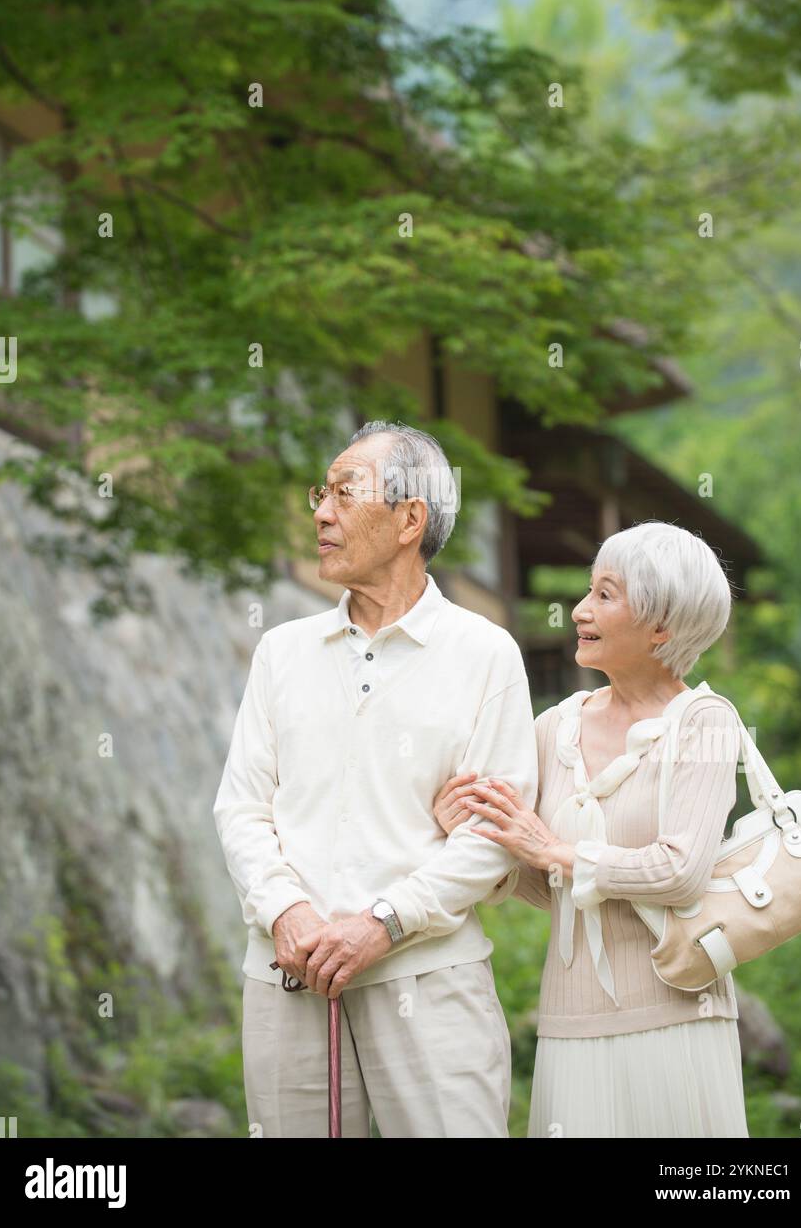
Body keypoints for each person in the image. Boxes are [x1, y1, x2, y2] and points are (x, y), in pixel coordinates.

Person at [213, 419, 538, 1137]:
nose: (320, 513)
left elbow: (491, 835)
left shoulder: (483, 654)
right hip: (285, 977)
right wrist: (286, 914)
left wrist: (382, 924)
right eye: (318, 495)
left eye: (343, 494)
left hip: (428, 982)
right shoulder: (281, 652)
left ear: (408, 519)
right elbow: (241, 809)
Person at [434, 520, 750, 1138]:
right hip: (569, 1020)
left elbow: (681, 872)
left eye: (606, 594)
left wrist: (553, 847)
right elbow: (546, 882)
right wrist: (478, 835)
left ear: (662, 625)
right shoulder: (554, 728)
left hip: (677, 1017)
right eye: (588, 590)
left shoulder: (705, 721)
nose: (579, 609)